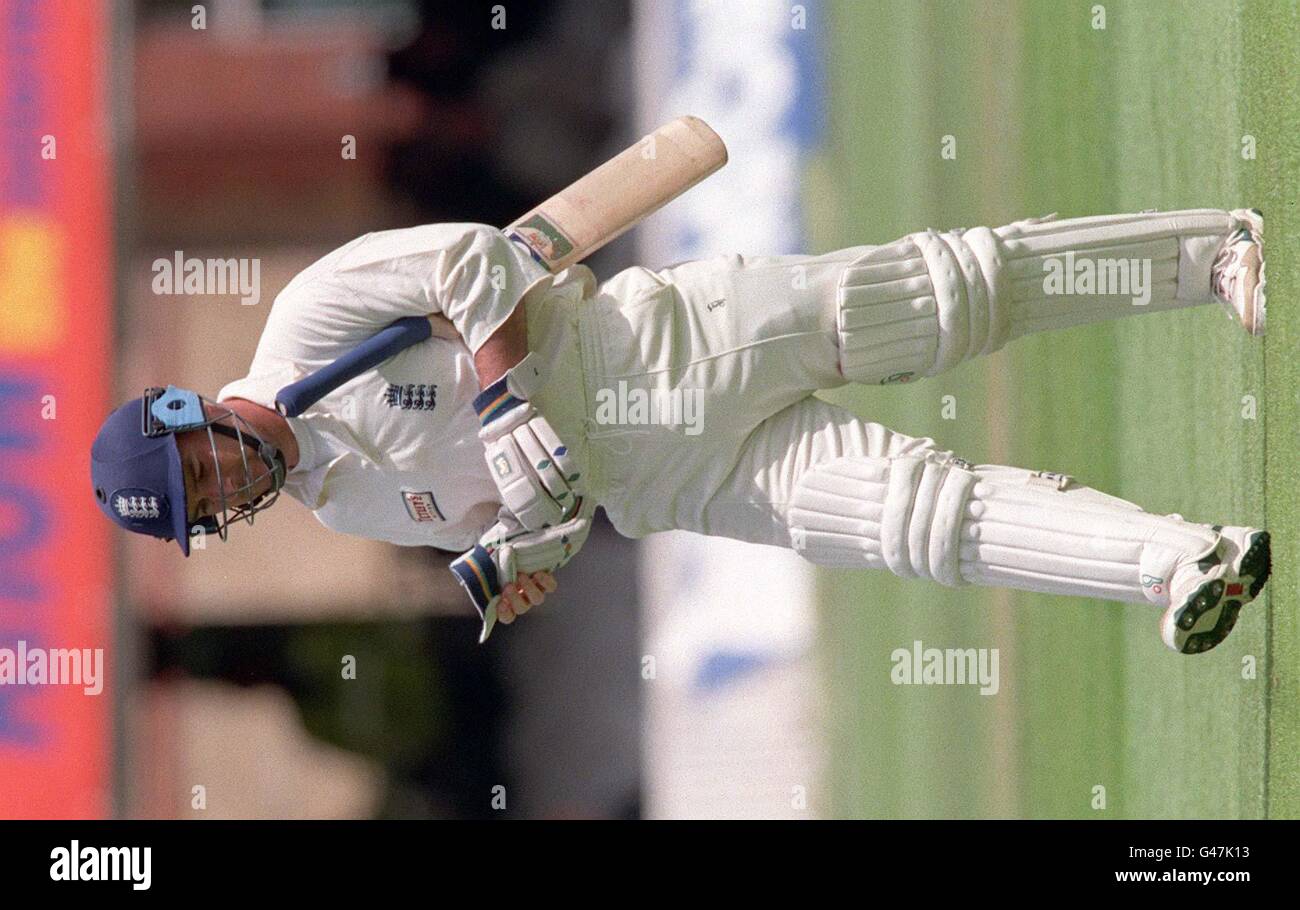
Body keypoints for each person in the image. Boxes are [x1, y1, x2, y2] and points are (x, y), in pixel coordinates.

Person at [92, 207, 1271, 653]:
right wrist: (527, 568)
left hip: (663, 345)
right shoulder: (337, 503)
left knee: (944, 298)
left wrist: (501, 390)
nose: (222, 494)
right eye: (205, 514)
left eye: (196, 472)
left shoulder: (306, 320)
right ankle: (1183, 560)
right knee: (919, 520)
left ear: (187, 416)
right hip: (673, 487)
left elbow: (471, 257)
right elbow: (533, 505)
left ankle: (1205, 252)